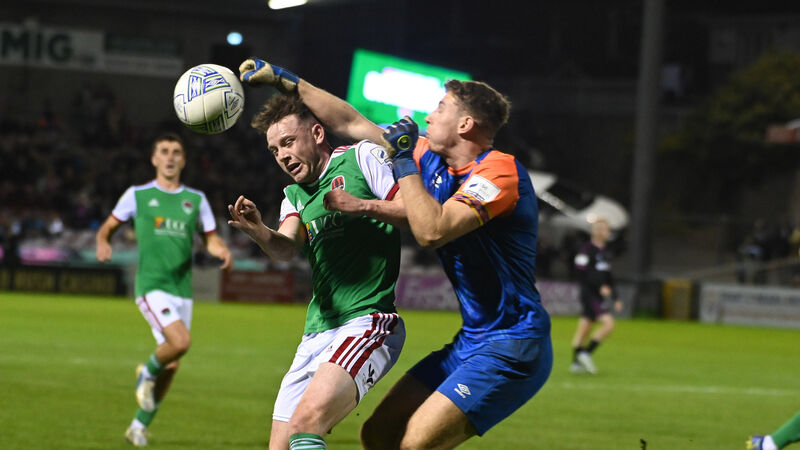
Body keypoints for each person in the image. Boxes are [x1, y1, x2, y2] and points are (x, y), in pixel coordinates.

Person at [239, 58, 552, 449]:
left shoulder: (499, 173)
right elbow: (351, 121)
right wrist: (286, 81)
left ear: (465, 125)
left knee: (414, 443)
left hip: (513, 343)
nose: (429, 115)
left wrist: (369, 196)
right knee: (379, 433)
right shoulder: (430, 160)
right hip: (471, 339)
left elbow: (432, 230)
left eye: (440, 109)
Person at [226, 94, 407, 450]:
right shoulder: (294, 195)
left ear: (318, 134)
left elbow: (412, 210)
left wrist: (361, 206)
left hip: (368, 321)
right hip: (316, 333)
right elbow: (286, 249)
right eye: (275, 150)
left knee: (306, 425)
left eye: (289, 142)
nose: (283, 155)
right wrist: (259, 231)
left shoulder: (360, 157)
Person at [95, 132, 233, 446]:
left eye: (176, 152)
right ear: (154, 158)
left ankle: (138, 426)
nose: (170, 157)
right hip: (152, 286)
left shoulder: (195, 200)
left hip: (182, 290)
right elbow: (109, 226)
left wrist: (220, 248)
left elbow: (210, 236)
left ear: (183, 160)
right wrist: (103, 242)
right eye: (164, 151)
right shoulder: (137, 195)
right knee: (180, 342)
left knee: (172, 362)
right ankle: (146, 370)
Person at [570, 218, 622, 375]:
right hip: (589, 294)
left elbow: (609, 277)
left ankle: (576, 364)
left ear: (608, 232)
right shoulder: (586, 250)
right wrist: (599, 287)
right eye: (597, 227)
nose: (600, 231)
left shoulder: (605, 253)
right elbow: (580, 274)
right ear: (592, 231)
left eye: (604, 228)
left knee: (584, 329)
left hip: (597, 295)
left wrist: (615, 297)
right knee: (608, 324)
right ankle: (585, 353)